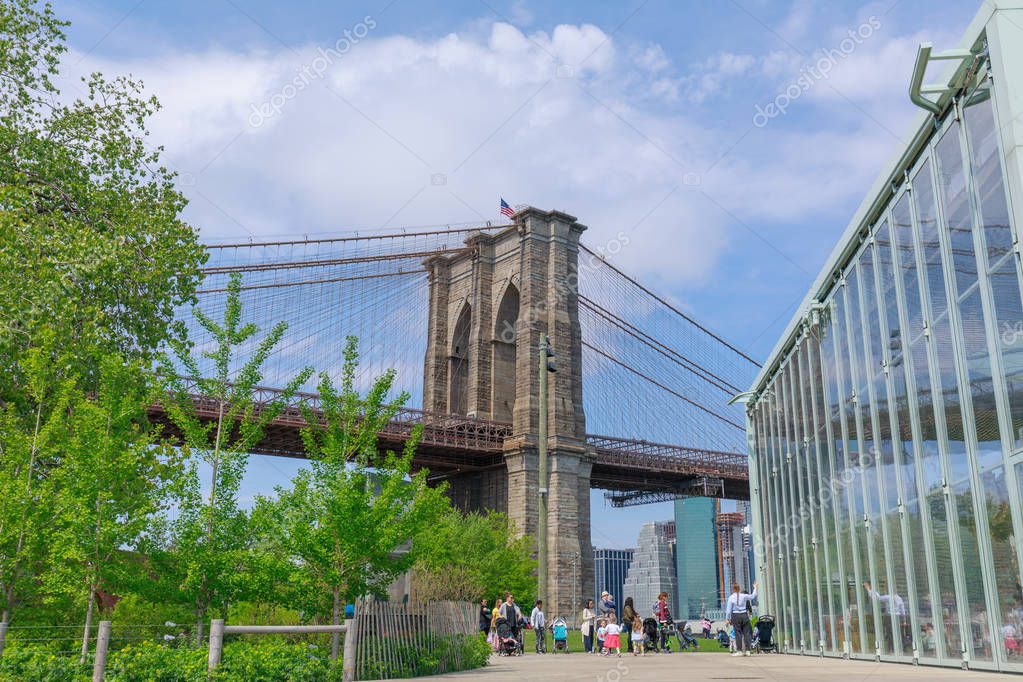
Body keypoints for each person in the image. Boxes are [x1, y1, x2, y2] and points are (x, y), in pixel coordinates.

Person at [725, 581, 757, 657]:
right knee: (746, 633)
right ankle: (748, 650)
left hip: (735, 616)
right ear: (739, 589)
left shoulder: (731, 597)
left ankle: (739, 651)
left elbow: (728, 610)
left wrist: (727, 619)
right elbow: (753, 596)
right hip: (744, 615)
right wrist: (755, 587)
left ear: (733, 589)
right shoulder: (744, 596)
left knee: (738, 633)